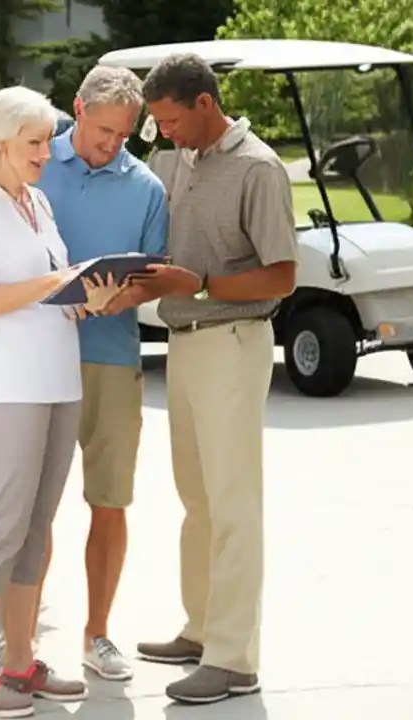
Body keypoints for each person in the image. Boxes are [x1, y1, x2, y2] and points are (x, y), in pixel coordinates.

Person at [116, 52, 298, 705]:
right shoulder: (176, 160)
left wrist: (202, 285)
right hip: (184, 343)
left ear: (204, 104)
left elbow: (282, 276)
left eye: (170, 120)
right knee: (196, 499)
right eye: (155, 123)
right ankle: (200, 631)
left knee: (233, 504)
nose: (162, 133)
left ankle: (234, 659)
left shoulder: (258, 168)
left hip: (234, 342)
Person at [0, 85, 98, 717]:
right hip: (12, 387)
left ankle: (18, 662)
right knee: (6, 522)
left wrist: (92, 292)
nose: (46, 151)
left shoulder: (37, 200)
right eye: (36, 142)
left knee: (38, 526)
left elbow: (53, 286)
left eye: (46, 140)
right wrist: (54, 283)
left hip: (61, 379)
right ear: (1, 143)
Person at [31, 64, 169, 683]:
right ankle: (22, 636)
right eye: (104, 131)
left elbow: (156, 274)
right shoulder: (32, 163)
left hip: (112, 359)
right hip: (37, 355)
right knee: (35, 508)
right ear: (78, 110)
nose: (113, 144)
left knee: (108, 502)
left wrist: (121, 296)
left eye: (125, 135)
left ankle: (98, 635)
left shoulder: (146, 188)